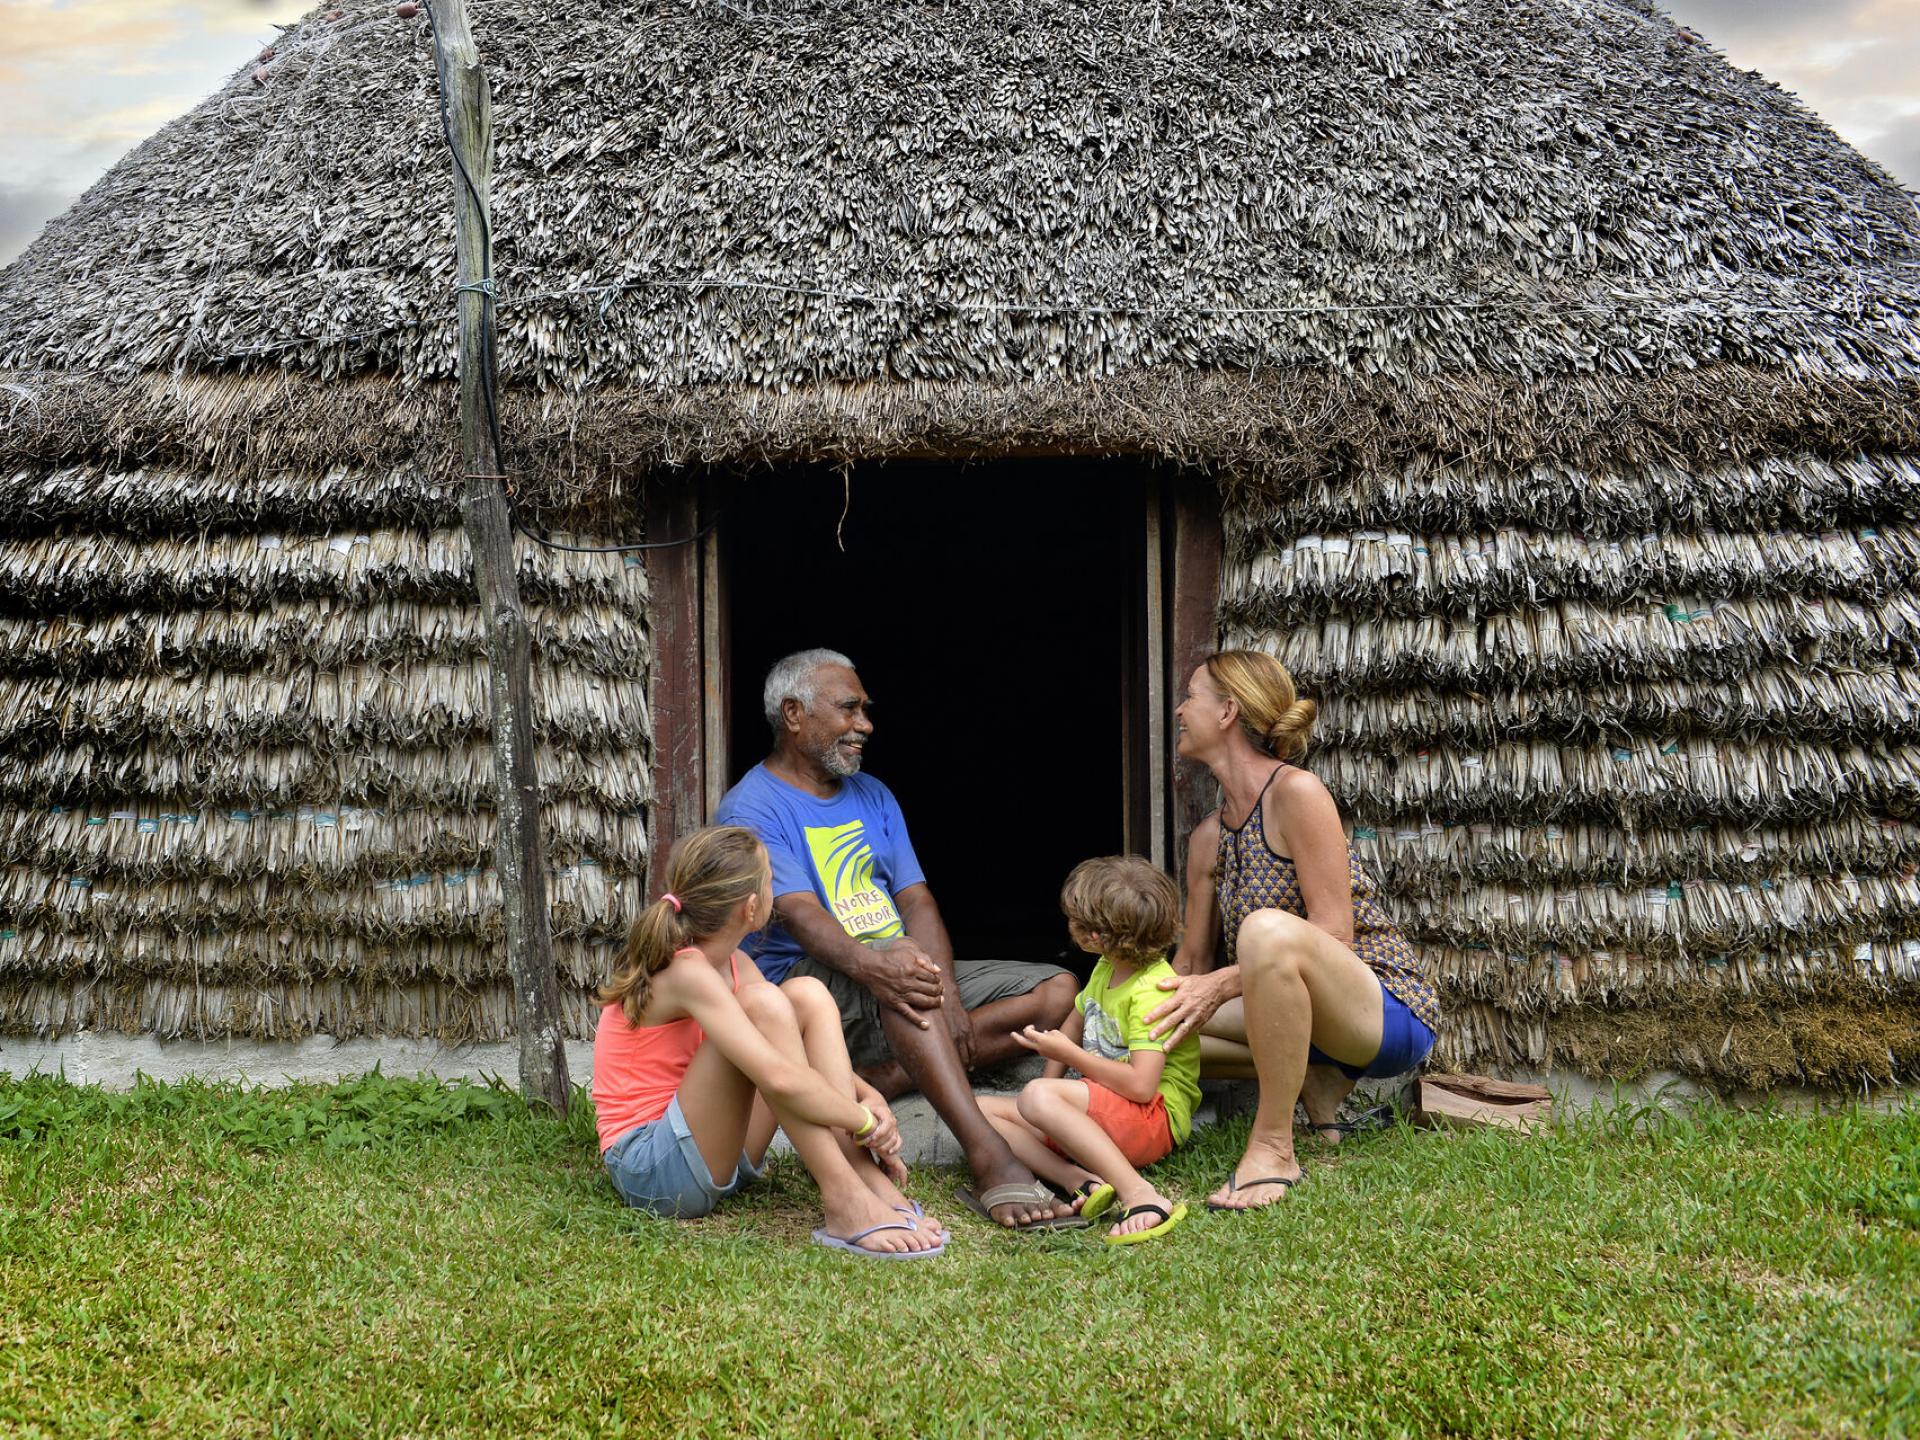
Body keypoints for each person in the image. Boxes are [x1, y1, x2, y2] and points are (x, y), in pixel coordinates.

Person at [713, 648, 1081, 1230]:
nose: (865, 724)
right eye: (849, 708)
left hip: (897, 976)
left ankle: (895, 1071)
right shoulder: (752, 806)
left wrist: (948, 992)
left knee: (1058, 991)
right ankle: (988, 1154)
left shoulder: (874, 794)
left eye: (865, 710)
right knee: (905, 968)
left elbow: (916, 900)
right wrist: (884, 967)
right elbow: (800, 915)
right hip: (812, 990)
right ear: (793, 714)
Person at [1145, 650, 1441, 1211]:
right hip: (1298, 1015)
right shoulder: (1208, 838)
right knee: (1149, 1023)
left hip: (1381, 1010)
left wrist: (1220, 984)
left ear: (1228, 711)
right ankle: (1312, 1079)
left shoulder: (1296, 793)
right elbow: (1190, 965)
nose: (1179, 710)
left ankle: (1274, 1148)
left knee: (1265, 932)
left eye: (1190, 697)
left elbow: (1334, 934)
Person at [592, 824, 947, 1258]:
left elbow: (786, 1054)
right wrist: (862, 1121)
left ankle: (861, 1175)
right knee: (764, 1005)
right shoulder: (685, 971)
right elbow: (778, 1077)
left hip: (717, 1153)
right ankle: (844, 1198)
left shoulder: (736, 963)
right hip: (652, 1170)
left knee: (805, 996)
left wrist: (866, 1095)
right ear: (752, 907)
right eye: (770, 881)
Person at [978, 856, 1202, 1244]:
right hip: (1108, 1110)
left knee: (1036, 1097)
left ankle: (1141, 1194)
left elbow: (1142, 1087)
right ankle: (1079, 1180)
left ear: (1096, 936)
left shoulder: (1152, 991)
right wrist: (1046, 1102)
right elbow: (1074, 1024)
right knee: (980, 1110)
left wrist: (1062, 1069)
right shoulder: (1105, 967)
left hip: (1153, 1118)